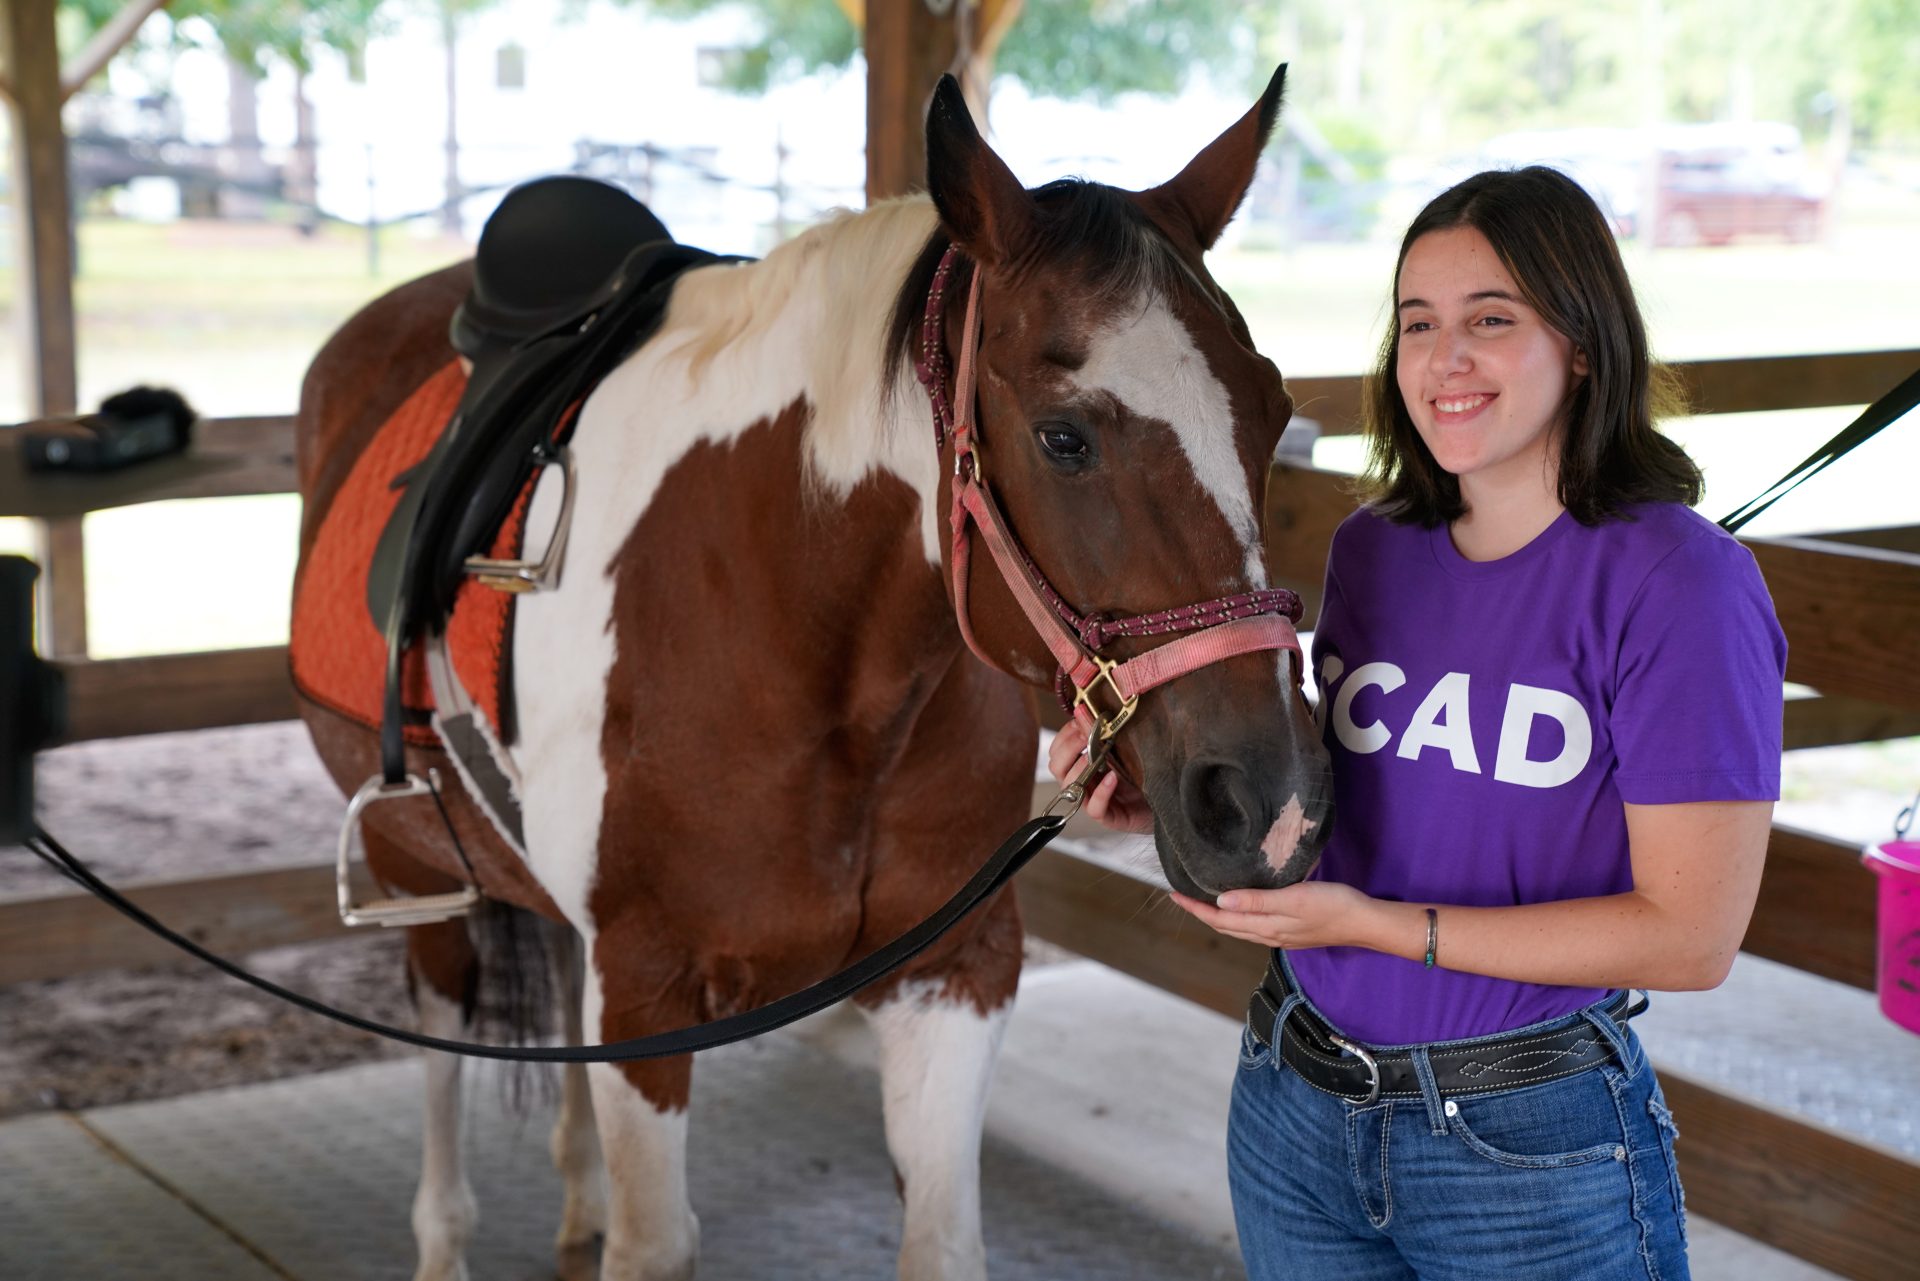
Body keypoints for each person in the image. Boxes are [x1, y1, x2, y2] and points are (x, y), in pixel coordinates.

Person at [1049, 166, 1785, 1279]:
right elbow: (1369, 816)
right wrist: (1164, 810)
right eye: (1418, 324)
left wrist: (1378, 929)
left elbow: (1689, 936)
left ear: (1581, 343)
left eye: (1492, 321)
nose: (1445, 360)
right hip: (1294, 1105)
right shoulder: (1375, 549)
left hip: (1525, 1146)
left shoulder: (1681, 584)